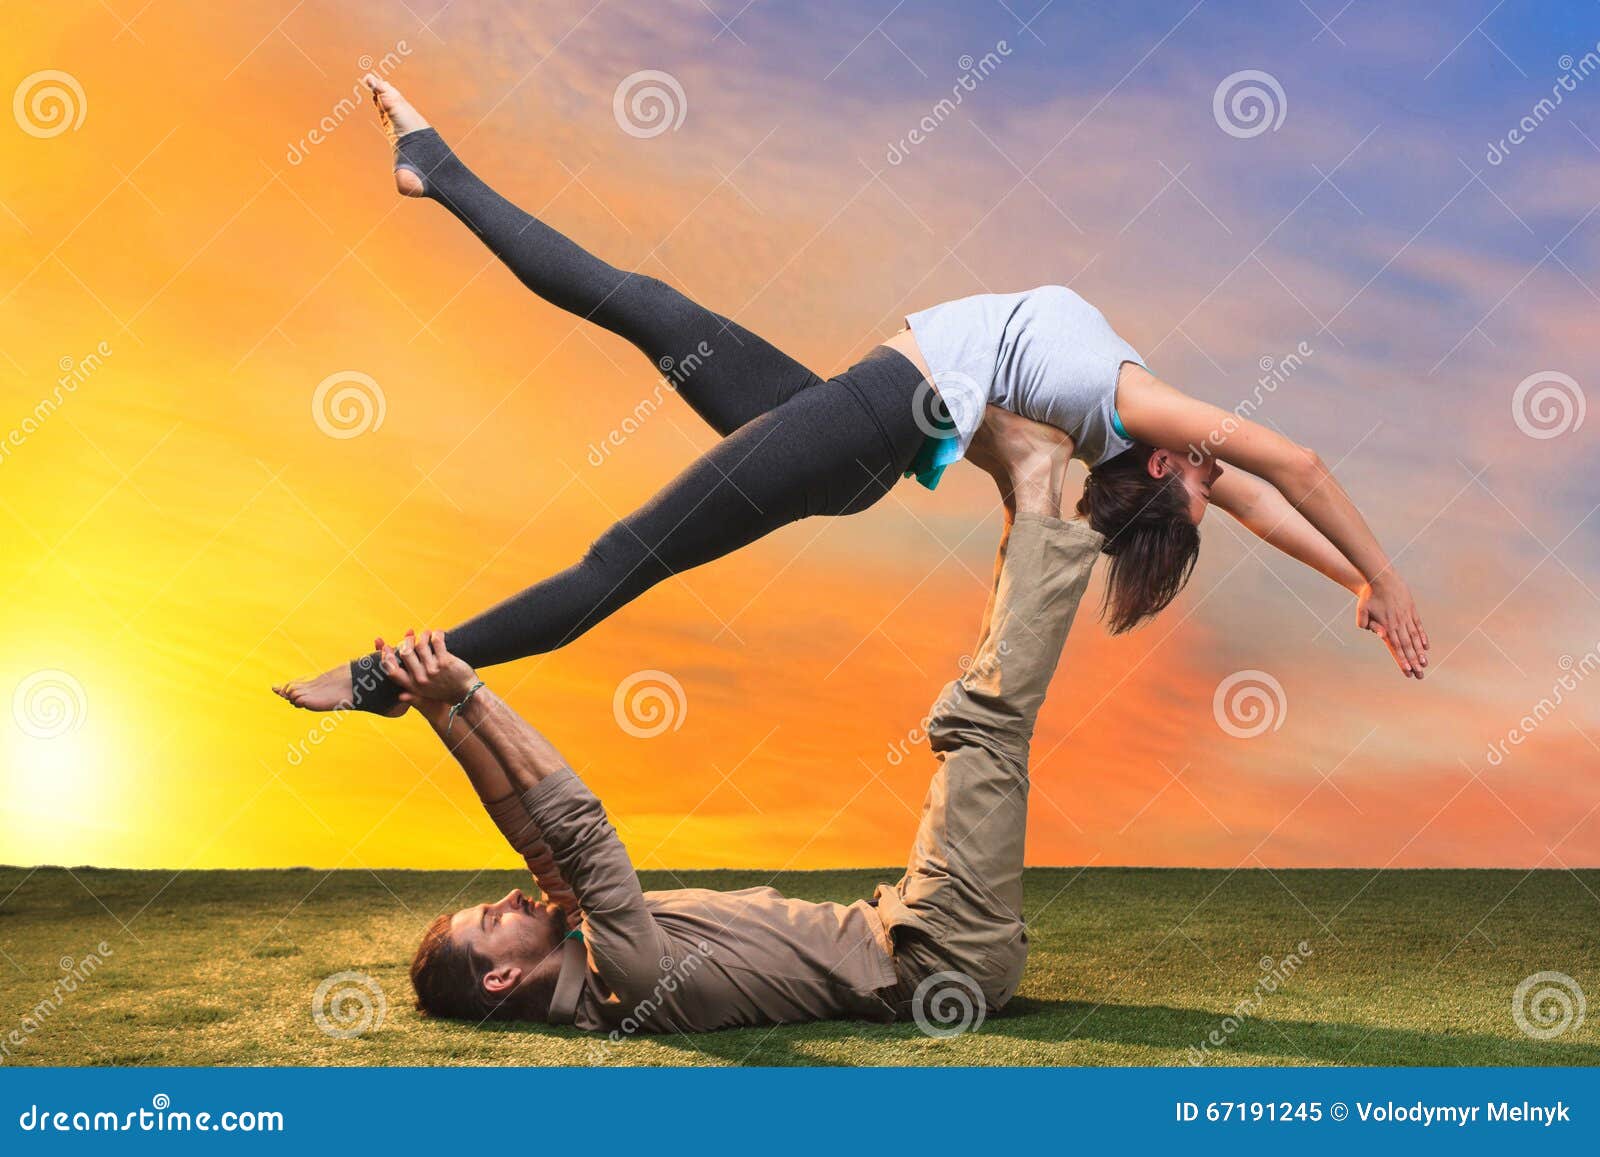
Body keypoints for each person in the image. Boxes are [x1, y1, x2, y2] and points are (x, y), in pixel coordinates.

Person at [273, 76, 1426, 718]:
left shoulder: (1135, 420)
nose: (1217, 479)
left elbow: (1295, 467)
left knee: (619, 560)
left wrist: (1382, 574)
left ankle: (384, 677)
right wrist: (1356, 581)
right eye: (1208, 488)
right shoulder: (1124, 414)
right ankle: (436, 167)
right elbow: (1268, 500)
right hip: (853, 422)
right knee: (641, 303)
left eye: (1200, 486)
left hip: (870, 423)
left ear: (1168, 468)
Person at [399, 411, 1099, 1031]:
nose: (507, 898)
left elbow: (531, 827)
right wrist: (472, 686)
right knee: (982, 721)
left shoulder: (588, 942)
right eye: (492, 921)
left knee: (973, 713)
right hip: (945, 958)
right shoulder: (628, 977)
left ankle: (1029, 497)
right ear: (502, 977)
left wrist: (440, 706)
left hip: (907, 916)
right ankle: (1038, 476)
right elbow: (578, 828)